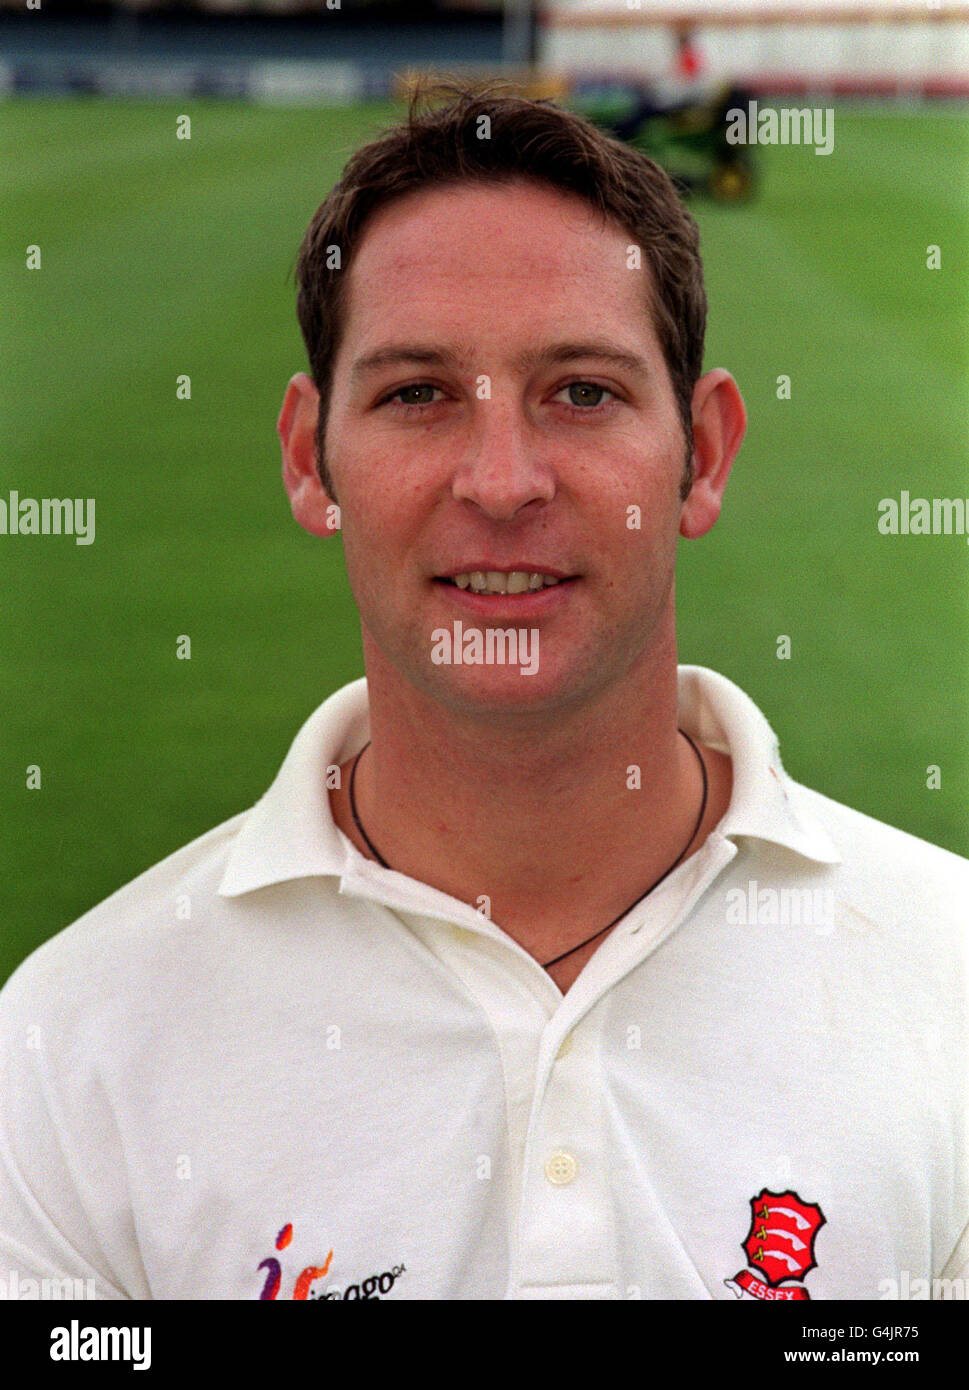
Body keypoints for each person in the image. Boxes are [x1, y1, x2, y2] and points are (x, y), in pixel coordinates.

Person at [0, 85, 965, 1303]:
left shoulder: (952, 977)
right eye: (418, 394)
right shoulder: (68, 1048)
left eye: (582, 391)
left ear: (703, 458)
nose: (503, 481)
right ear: (311, 461)